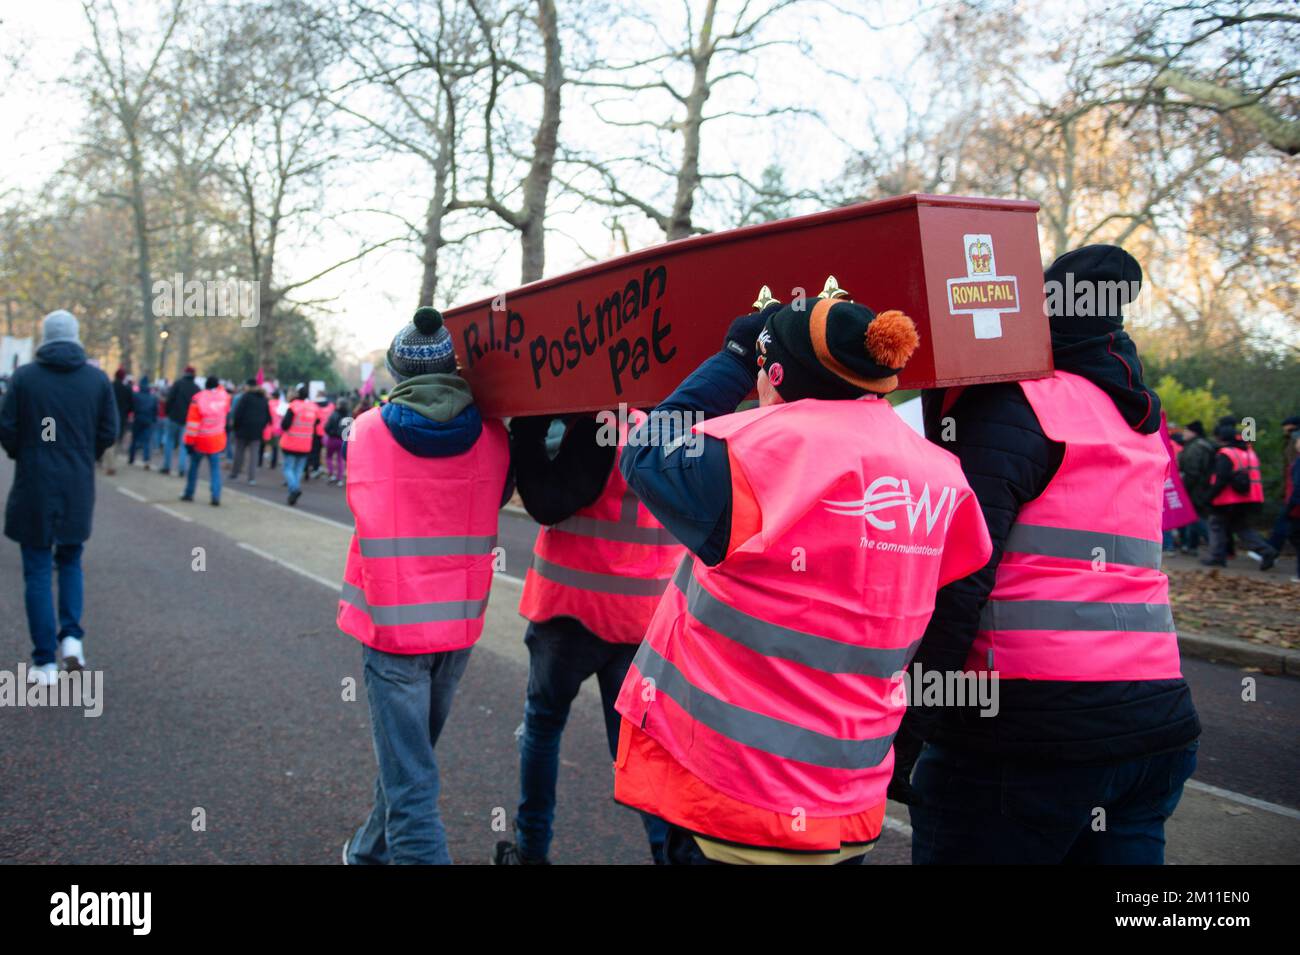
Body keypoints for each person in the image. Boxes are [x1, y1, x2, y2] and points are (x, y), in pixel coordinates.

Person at [610, 290, 991, 865]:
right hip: (851, 795)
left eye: (762, 371)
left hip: (736, 794)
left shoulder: (753, 452)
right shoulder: (943, 475)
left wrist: (733, 358)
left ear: (777, 373)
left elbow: (644, 450)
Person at [896, 244, 1201, 864]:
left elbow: (959, 576)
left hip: (1027, 730)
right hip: (1154, 717)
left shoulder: (1016, 404)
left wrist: (905, 732)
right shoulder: (1137, 417)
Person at [340, 307, 513, 865]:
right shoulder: (492, 436)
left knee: (411, 779)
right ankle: (367, 852)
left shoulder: (367, 430)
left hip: (392, 628)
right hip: (457, 626)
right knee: (407, 760)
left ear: (398, 372)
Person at [492, 406, 682, 866]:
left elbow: (547, 501)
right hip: (643, 618)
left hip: (570, 611)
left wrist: (530, 426)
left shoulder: (600, 423)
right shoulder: (679, 429)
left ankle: (531, 850)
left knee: (541, 728)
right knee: (638, 753)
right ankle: (668, 854)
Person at [0, 311, 117, 684]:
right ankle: (71, 638)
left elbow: (7, 428)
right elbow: (109, 431)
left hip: (34, 481)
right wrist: (85, 454)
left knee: (36, 570)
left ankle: (44, 662)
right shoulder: (96, 380)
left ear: (45, 336)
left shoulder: (25, 378)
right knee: (70, 561)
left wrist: (26, 452)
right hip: (77, 482)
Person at [1202, 418, 1278, 569]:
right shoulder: (1248, 451)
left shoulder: (1226, 453)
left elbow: (1221, 479)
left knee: (1216, 525)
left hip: (1227, 499)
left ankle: (1217, 556)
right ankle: (1266, 550)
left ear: (1221, 437)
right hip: (1249, 498)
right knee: (1241, 528)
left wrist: (1208, 497)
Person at [181, 376, 231, 506]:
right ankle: (215, 495)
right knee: (215, 470)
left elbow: (192, 423)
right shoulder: (224, 397)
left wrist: (189, 441)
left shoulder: (198, 399)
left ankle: (189, 493)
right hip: (216, 439)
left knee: (194, 468)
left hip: (200, 439)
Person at [1177, 420, 1215, 552]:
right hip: (1202, 487)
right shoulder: (1201, 445)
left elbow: (1192, 471)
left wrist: (1183, 489)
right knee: (1194, 517)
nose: (1184, 433)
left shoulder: (1195, 447)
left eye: (1186, 430)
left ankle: (1214, 545)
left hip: (1195, 488)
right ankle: (1192, 546)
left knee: (1195, 518)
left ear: (1193, 432)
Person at [1265, 415, 1299, 558]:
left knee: (1285, 523)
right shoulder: (1291, 440)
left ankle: (1270, 552)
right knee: (1290, 527)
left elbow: (1293, 470)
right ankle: (1271, 552)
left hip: (1294, 492)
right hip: (1292, 490)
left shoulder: (1294, 440)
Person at [280, 385, 320, 505]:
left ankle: (294, 489)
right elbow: (316, 422)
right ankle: (293, 494)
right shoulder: (313, 408)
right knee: (298, 470)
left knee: (288, 468)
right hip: (305, 444)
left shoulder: (293, 406)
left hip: (291, 443)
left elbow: (285, 425)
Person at [231, 378, 271, 485]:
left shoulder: (245, 397)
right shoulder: (263, 399)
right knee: (254, 455)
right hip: (257, 431)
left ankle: (235, 473)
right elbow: (268, 417)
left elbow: (238, 413)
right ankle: (251, 478)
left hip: (243, 429)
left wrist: (236, 426)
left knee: (239, 452)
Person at [162, 365, 200, 477]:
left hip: (173, 417)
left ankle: (166, 466)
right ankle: (182, 468)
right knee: (183, 445)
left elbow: (169, 399)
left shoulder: (177, 384)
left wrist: (168, 412)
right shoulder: (196, 388)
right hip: (187, 421)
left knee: (169, 441)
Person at [129, 376, 158, 468]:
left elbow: (132, 407)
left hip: (138, 418)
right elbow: (155, 410)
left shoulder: (136, 395)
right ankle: (146, 460)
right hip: (148, 420)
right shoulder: (152, 397)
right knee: (146, 441)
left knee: (134, 440)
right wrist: (153, 419)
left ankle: (131, 458)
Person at [108, 367, 133, 475]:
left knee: (109, 439)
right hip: (122, 417)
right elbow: (131, 405)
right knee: (117, 440)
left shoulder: (109, 386)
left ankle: (109, 462)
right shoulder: (127, 389)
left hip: (109, 415)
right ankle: (113, 462)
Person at [323, 399, 349, 485]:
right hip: (343, 440)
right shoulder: (349, 415)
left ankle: (331, 474)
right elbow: (351, 430)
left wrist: (330, 433)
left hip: (333, 439)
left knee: (329, 457)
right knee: (340, 460)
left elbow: (326, 427)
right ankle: (340, 479)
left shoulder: (334, 414)